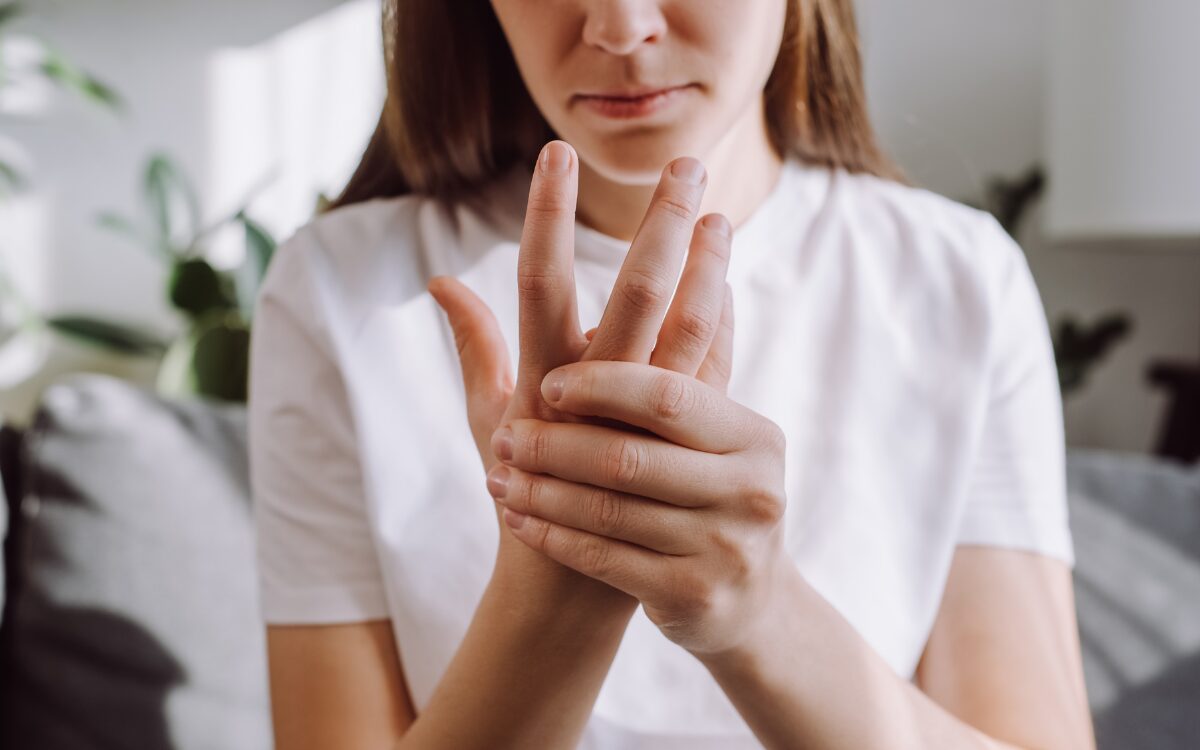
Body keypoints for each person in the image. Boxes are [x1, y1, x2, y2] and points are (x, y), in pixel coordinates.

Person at [248, 1, 1097, 748]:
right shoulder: (341, 290)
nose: (620, 27)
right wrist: (553, 598)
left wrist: (756, 612)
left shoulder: (957, 280)